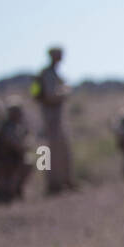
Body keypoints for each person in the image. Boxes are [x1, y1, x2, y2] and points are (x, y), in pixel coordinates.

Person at [31, 45, 74, 194]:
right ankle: (52, 185)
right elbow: (50, 96)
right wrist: (64, 92)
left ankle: (64, 182)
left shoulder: (54, 74)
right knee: (48, 153)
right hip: (49, 119)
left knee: (62, 151)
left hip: (55, 118)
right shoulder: (47, 74)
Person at [0, 97, 33, 203]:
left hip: (8, 160)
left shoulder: (13, 126)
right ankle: (7, 192)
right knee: (26, 161)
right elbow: (19, 146)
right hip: (4, 162)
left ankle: (12, 191)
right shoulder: (7, 127)